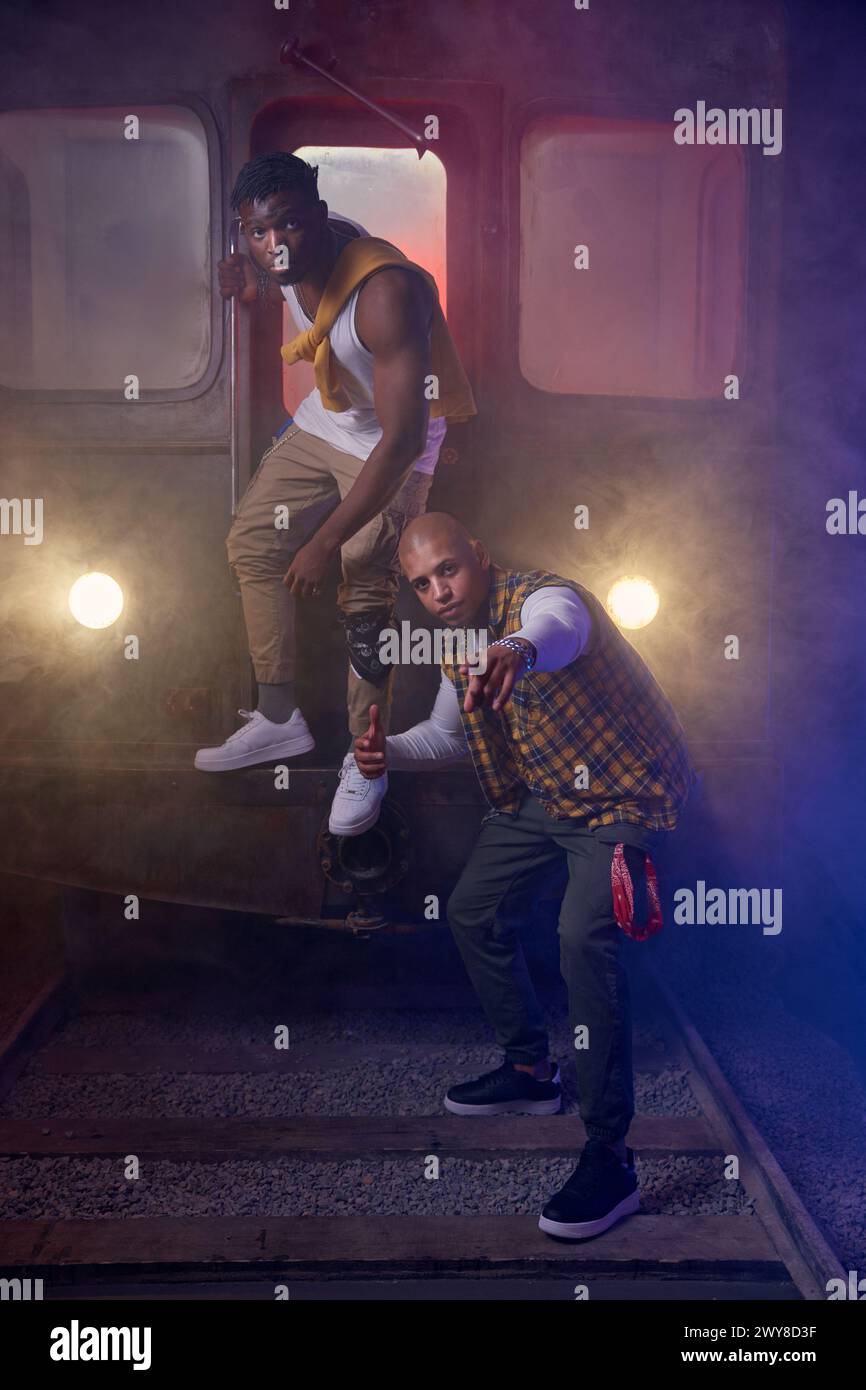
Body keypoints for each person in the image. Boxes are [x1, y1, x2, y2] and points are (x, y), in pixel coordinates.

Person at [350, 512, 697, 1239]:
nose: (439, 591)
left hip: (622, 798)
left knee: (582, 940)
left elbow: (558, 626)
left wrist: (516, 648)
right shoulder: (454, 641)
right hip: (548, 798)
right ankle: (532, 1073)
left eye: (449, 569)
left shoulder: (542, 600)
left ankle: (611, 1157)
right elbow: (447, 734)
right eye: (422, 583)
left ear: (479, 556)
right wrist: (388, 757)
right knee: (472, 909)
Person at [195, 152, 475, 840]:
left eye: (289, 226)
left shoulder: (384, 294)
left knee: (362, 581)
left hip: (393, 447)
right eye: (258, 234)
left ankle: (366, 759)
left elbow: (404, 440)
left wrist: (323, 540)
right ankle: (278, 717)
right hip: (330, 424)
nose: (275, 245)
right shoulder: (281, 263)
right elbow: (296, 299)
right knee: (252, 541)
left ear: (318, 219)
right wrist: (252, 290)